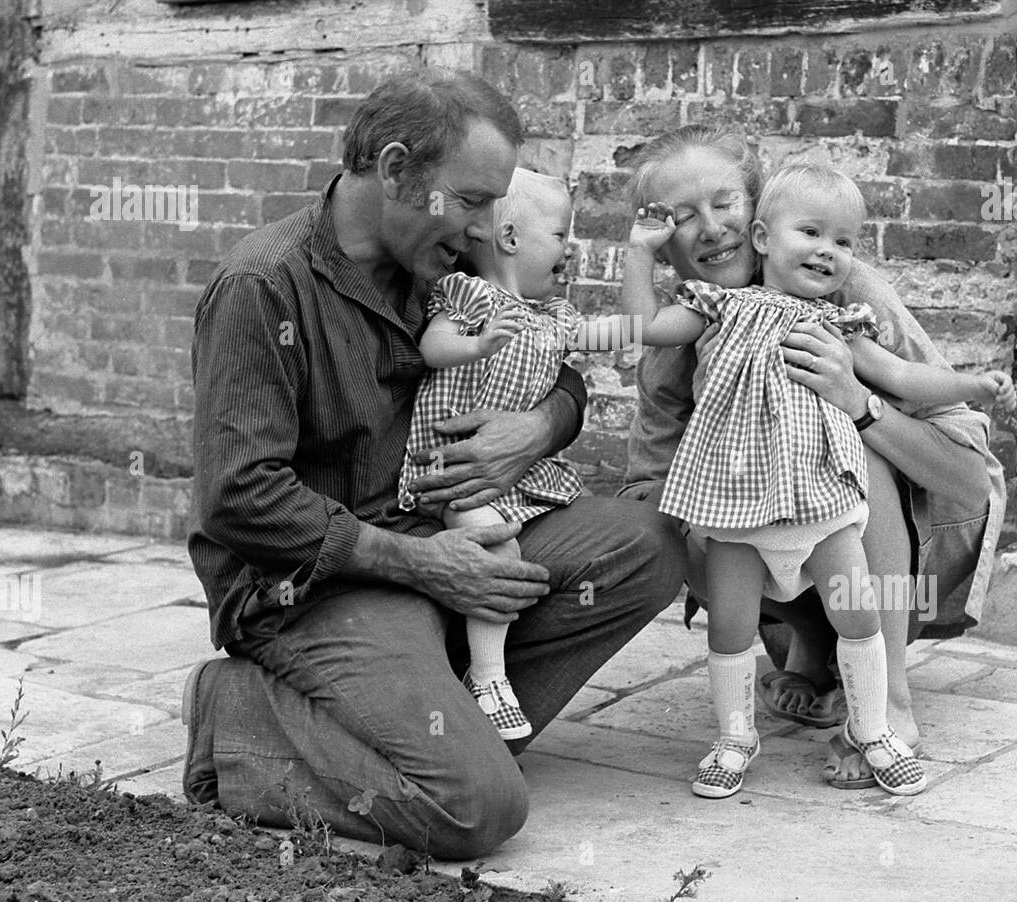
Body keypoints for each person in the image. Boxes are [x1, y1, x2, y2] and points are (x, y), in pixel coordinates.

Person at [182, 71, 685, 860]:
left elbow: (552, 355)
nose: (489, 225)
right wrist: (422, 565)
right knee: (476, 810)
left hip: (444, 534)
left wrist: (539, 425)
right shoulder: (262, 287)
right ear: (393, 169)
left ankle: (436, 714)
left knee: (649, 540)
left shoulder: (442, 266)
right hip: (319, 585)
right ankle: (239, 719)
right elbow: (238, 497)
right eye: (475, 199)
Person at [617, 125, 1008, 789]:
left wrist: (859, 403)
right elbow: (648, 487)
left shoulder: (841, 288)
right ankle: (812, 647)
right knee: (690, 512)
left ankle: (888, 708)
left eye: (725, 203)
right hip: (775, 530)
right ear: (663, 239)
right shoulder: (688, 328)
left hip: (914, 524)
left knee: (849, 446)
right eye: (683, 216)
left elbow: (969, 480)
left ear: (759, 210)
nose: (712, 229)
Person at [398, 168, 597, 741]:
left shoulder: (550, 317)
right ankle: (486, 678)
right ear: (510, 240)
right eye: (560, 235)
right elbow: (433, 347)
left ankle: (486, 660)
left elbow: (621, 333)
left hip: (518, 472)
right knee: (496, 542)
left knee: (537, 541)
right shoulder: (473, 297)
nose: (570, 248)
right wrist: (477, 345)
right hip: (450, 466)